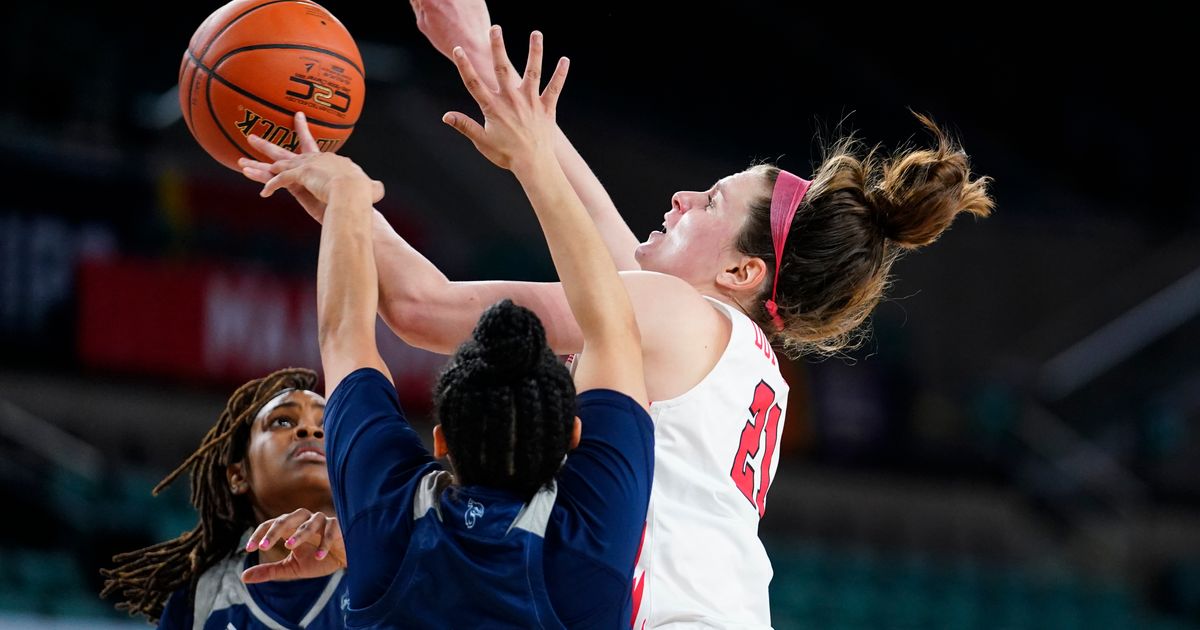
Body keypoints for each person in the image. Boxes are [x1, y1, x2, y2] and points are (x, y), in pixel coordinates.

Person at [242, 5, 994, 624]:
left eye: (710, 202)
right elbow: (596, 236)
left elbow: (421, 308)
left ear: (740, 271)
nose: (681, 198)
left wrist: (338, 196)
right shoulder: (717, 341)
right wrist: (473, 46)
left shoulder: (676, 315)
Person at [242, 29, 653, 627]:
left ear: (441, 442)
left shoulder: (391, 520)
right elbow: (614, 326)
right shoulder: (589, 550)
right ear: (573, 435)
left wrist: (348, 201)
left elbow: (344, 331)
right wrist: (533, 161)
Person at [101, 367, 348, 629]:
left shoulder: (375, 569)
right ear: (238, 475)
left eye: (326, 424)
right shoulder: (202, 594)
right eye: (283, 421)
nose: (311, 430)